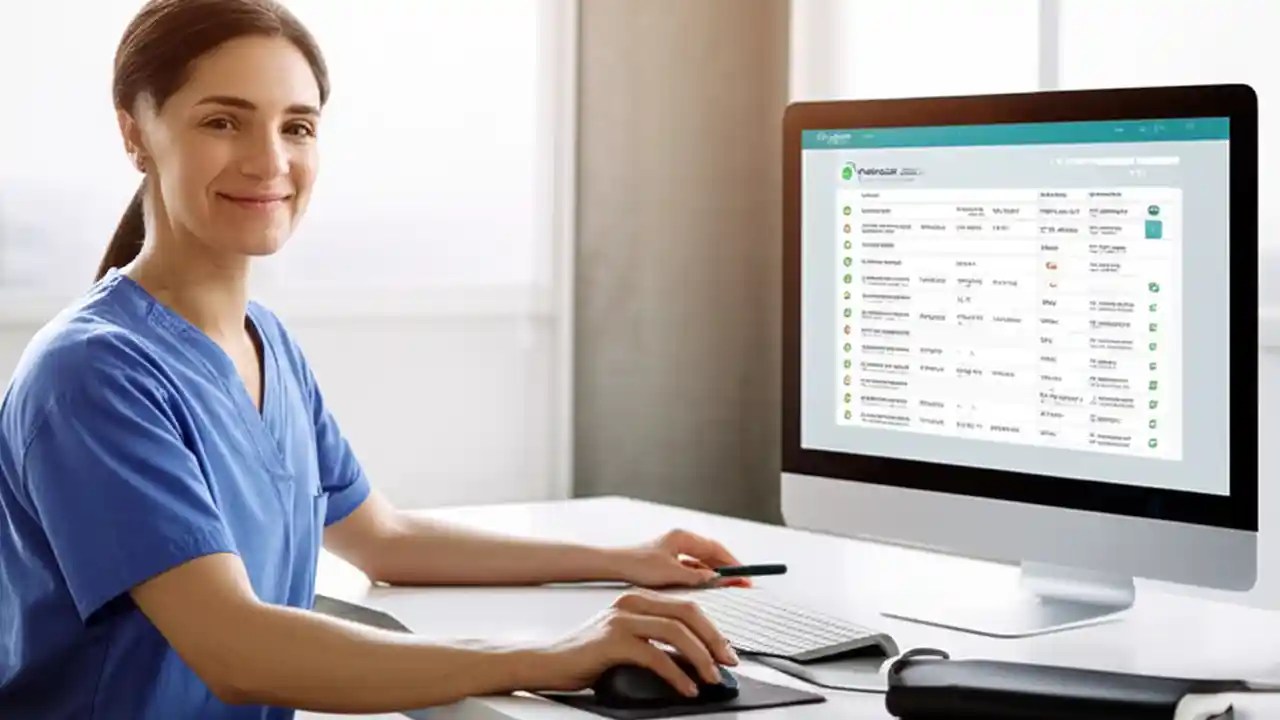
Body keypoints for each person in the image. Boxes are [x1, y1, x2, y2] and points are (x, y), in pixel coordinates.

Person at [0, 1, 750, 717]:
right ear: (135, 133)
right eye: (223, 121)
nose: (270, 161)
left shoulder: (266, 344)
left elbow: (385, 540)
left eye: (297, 127)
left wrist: (623, 560)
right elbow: (234, 650)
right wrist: (546, 659)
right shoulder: (93, 374)